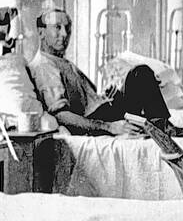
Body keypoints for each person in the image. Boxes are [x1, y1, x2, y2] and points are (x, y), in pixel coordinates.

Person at [27, 8, 162, 136]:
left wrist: (108, 95)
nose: (64, 34)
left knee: (139, 77)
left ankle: (162, 126)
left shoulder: (59, 61)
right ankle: (164, 128)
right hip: (101, 120)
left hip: (106, 111)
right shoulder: (44, 66)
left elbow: (86, 100)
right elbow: (61, 115)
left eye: (67, 28)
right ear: (41, 32)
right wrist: (110, 127)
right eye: (57, 27)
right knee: (140, 74)